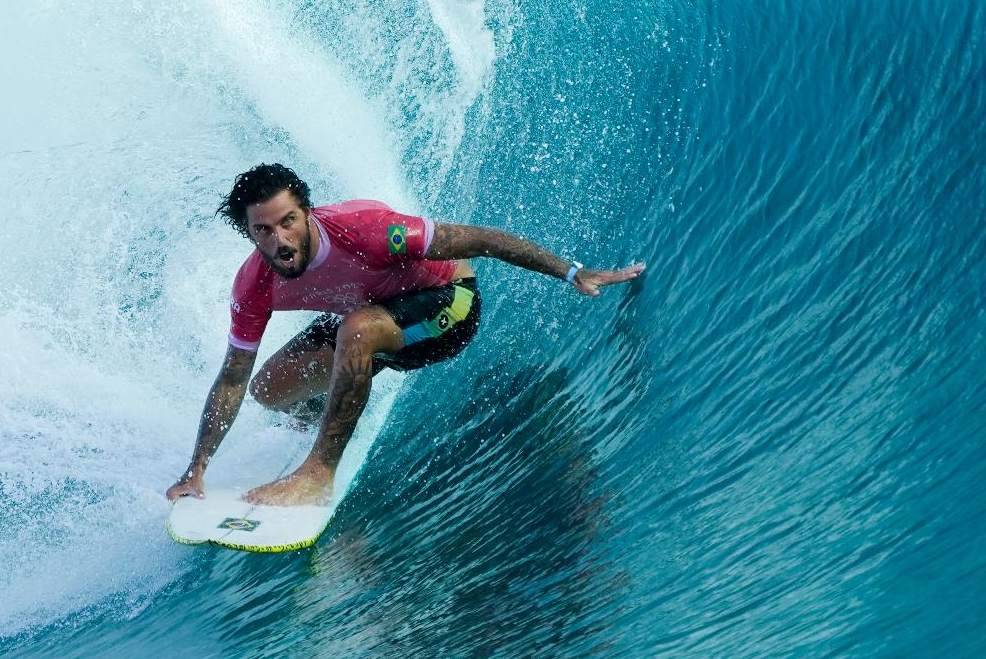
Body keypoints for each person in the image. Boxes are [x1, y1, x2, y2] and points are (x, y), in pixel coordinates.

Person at [165, 163, 645, 507]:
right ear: (248, 234)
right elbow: (231, 378)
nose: (280, 239)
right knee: (267, 389)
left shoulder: (371, 232)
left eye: (288, 221)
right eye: (263, 230)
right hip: (370, 317)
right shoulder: (254, 285)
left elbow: (484, 240)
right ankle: (330, 409)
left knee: (357, 330)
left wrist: (574, 273)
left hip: (449, 305)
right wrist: (197, 467)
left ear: (308, 212)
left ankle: (317, 473)